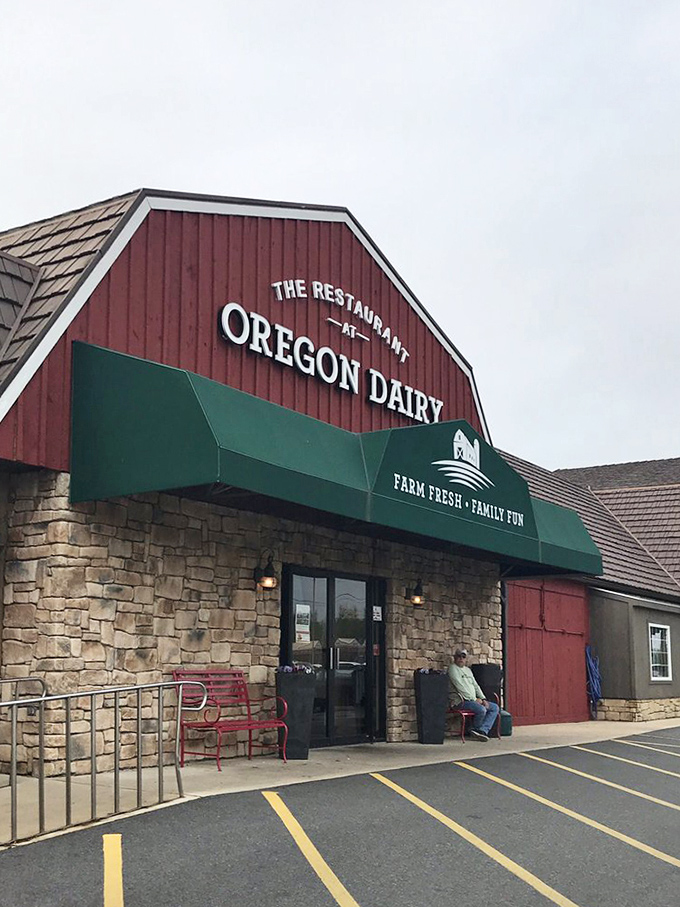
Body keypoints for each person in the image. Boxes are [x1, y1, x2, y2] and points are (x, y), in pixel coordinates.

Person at [448, 647, 499, 741]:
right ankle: (474, 729)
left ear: (466, 658)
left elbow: (476, 686)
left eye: (463, 657)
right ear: (455, 657)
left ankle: (482, 730)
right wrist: (474, 699)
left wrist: (483, 699)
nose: (461, 659)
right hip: (460, 701)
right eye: (459, 656)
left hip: (473, 701)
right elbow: (460, 686)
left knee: (494, 707)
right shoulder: (452, 669)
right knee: (481, 709)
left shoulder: (468, 670)